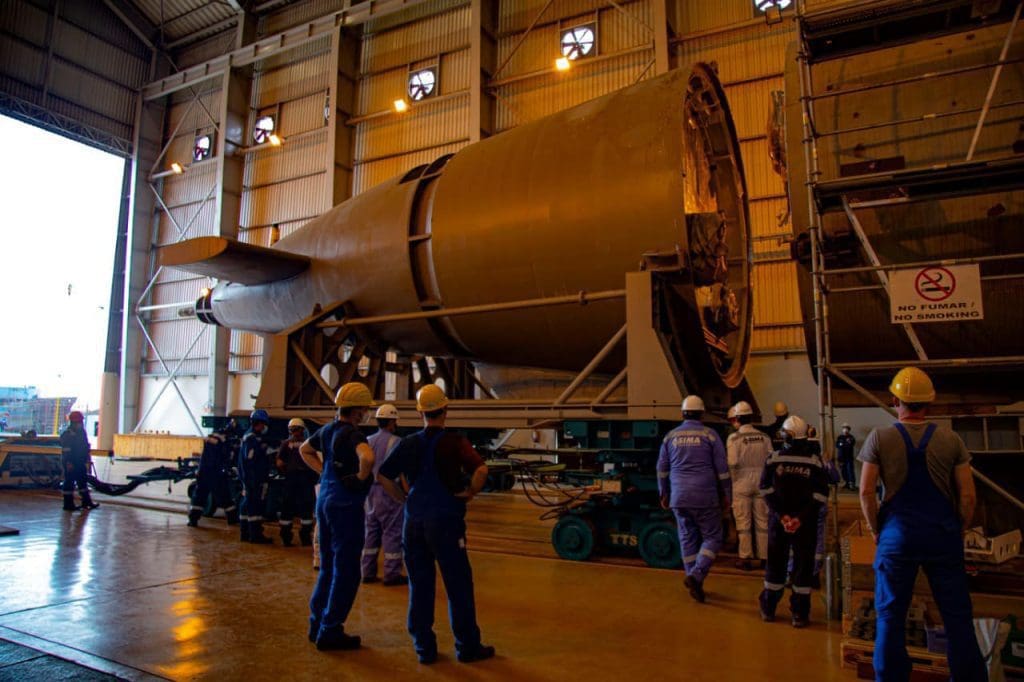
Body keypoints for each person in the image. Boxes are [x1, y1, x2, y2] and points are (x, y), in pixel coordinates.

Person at [858, 368, 986, 681]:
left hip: (896, 536)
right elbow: (968, 496)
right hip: (942, 535)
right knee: (957, 617)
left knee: (890, 617)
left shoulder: (880, 437)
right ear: (930, 401)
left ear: (895, 399)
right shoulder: (950, 439)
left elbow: (865, 492)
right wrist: (958, 528)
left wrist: (876, 530)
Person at [377, 384, 495, 665]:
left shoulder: (408, 443)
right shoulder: (455, 442)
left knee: (420, 585)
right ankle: (467, 646)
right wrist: (470, 493)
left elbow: (383, 476)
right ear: (445, 410)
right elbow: (481, 469)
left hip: (414, 523)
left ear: (421, 413)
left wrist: (404, 499)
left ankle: (424, 648)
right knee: (458, 585)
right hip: (446, 522)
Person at [301, 382, 376, 651]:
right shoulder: (353, 434)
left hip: (325, 502)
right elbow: (367, 457)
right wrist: (360, 477)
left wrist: (323, 472)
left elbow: (304, 450)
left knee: (328, 567)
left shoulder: (326, 430)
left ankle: (316, 623)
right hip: (345, 506)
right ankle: (331, 629)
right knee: (347, 571)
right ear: (357, 411)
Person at [657, 395, 731, 603]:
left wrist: (663, 493)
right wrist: (727, 494)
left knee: (687, 538)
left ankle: (693, 580)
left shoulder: (670, 437)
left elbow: (661, 469)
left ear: (682, 413)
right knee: (713, 537)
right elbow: (723, 470)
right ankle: (697, 575)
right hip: (705, 496)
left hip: (679, 497)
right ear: (701, 413)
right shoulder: (710, 435)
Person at [758, 415, 829, 628]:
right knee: (802, 567)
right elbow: (820, 495)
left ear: (786, 436)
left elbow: (765, 489)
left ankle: (769, 608)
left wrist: (782, 516)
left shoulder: (774, 459)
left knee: (775, 564)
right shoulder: (815, 462)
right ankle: (799, 613)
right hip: (804, 524)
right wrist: (800, 518)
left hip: (779, 522)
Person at [362, 404, 407, 586]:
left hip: (369, 493)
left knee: (370, 531)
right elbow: (401, 471)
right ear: (391, 422)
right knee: (392, 532)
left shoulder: (367, 440)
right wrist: (406, 493)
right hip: (388, 491)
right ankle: (391, 574)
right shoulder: (396, 442)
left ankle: (367, 571)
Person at [727, 401, 771, 571]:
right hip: (762, 481)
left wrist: (734, 481)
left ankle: (745, 558)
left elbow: (732, 463)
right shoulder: (764, 437)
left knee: (743, 523)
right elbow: (770, 461)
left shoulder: (734, 438)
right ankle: (765, 557)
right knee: (762, 522)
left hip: (741, 482)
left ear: (737, 418)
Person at [187, 419, 240, 528]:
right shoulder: (224, 441)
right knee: (225, 496)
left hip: (204, 471)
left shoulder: (214, 436)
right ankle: (232, 519)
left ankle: (193, 520)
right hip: (215, 472)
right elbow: (225, 457)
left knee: (199, 496)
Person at [238, 409, 277, 544]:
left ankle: (245, 532)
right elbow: (252, 459)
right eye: (263, 424)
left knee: (246, 505)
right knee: (255, 505)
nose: (264, 427)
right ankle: (255, 535)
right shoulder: (252, 439)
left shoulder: (250, 437)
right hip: (254, 478)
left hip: (249, 477)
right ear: (259, 423)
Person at [277, 418, 317, 547]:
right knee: (306, 509)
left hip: (290, 478)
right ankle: (305, 538)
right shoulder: (308, 444)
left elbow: (279, 463)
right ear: (302, 429)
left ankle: (286, 537)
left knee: (287, 508)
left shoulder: (286, 444)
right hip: (306, 479)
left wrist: (286, 472)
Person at [60, 411, 98, 511]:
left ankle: (87, 502)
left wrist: (86, 459)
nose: (81, 423)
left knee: (82, 482)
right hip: (71, 462)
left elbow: (85, 447)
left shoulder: (81, 433)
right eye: (79, 421)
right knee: (69, 482)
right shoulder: (68, 434)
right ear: (73, 422)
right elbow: (66, 450)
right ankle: (68, 504)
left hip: (80, 461)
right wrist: (69, 463)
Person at [836, 424, 857, 490]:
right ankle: (846, 484)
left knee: (850, 470)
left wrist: (843, 444)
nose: (845, 430)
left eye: (846, 428)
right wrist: (843, 444)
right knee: (843, 471)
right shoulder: (840, 437)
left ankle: (851, 485)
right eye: (844, 428)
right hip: (841, 458)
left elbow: (850, 445)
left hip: (849, 457)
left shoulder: (851, 437)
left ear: (849, 430)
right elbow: (837, 445)